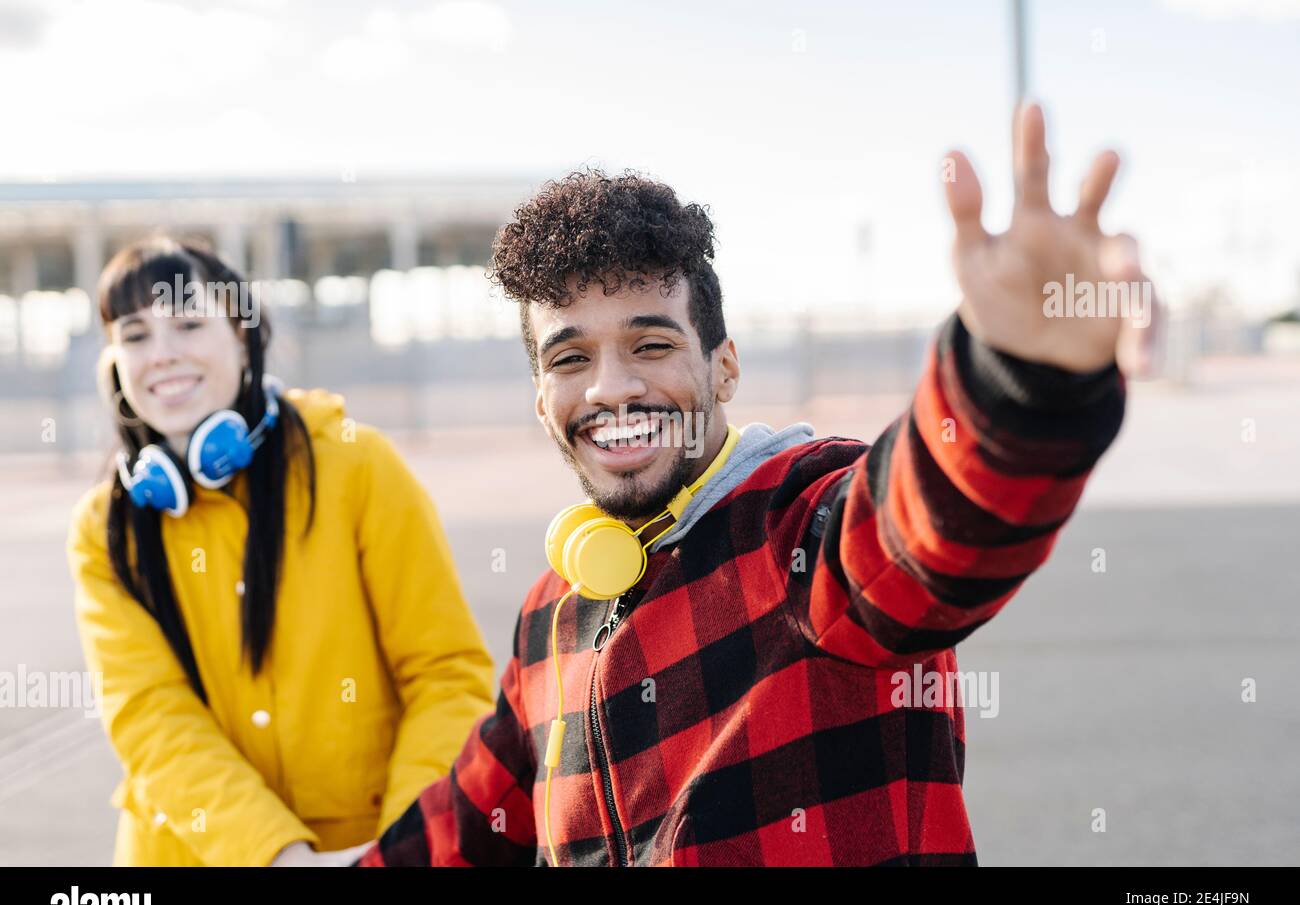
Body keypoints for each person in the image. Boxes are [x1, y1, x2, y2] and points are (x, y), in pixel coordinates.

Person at [358, 103, 1148, 866]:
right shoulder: (549, 615)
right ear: (542, 402)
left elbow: (926, 533)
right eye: (570, 359)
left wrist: (1021, 380)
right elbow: (461, 830)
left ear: (724, 367)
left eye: (651, 343)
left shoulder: (799, 528)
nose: (610, 388)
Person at [67, 236, 495, 866]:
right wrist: (276, 856)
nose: (161, 355)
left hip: (369, 848)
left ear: (243, 336)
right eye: (134, 336)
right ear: (114, 367)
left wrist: (403, 848)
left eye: (187, 323)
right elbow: (149, 714)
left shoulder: (357, 465)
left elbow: (445, 676)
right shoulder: (105, 527)